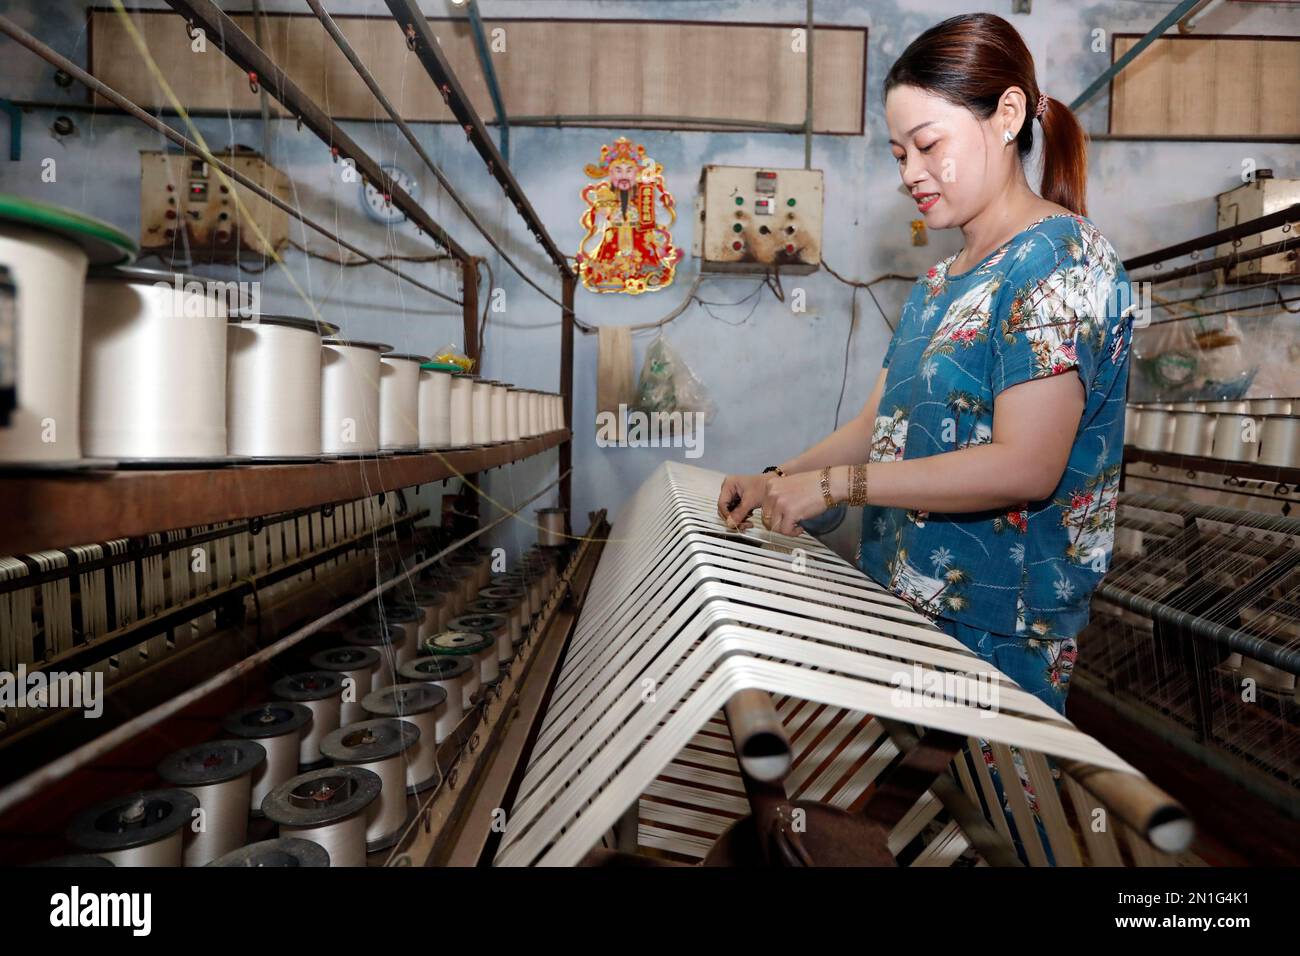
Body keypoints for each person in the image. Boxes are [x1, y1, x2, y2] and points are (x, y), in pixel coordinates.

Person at [717, 12, 1137, 719]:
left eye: (927, 145)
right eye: (896, 153)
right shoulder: (938, 285)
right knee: (928, 822)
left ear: (1007, 114)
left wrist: (835, 486)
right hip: (905, 607)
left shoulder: (1060, 261)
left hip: (997, 633)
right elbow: (875, 425)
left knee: (997, 824)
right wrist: (778, 479)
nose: (910, 173)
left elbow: (1025, 466)